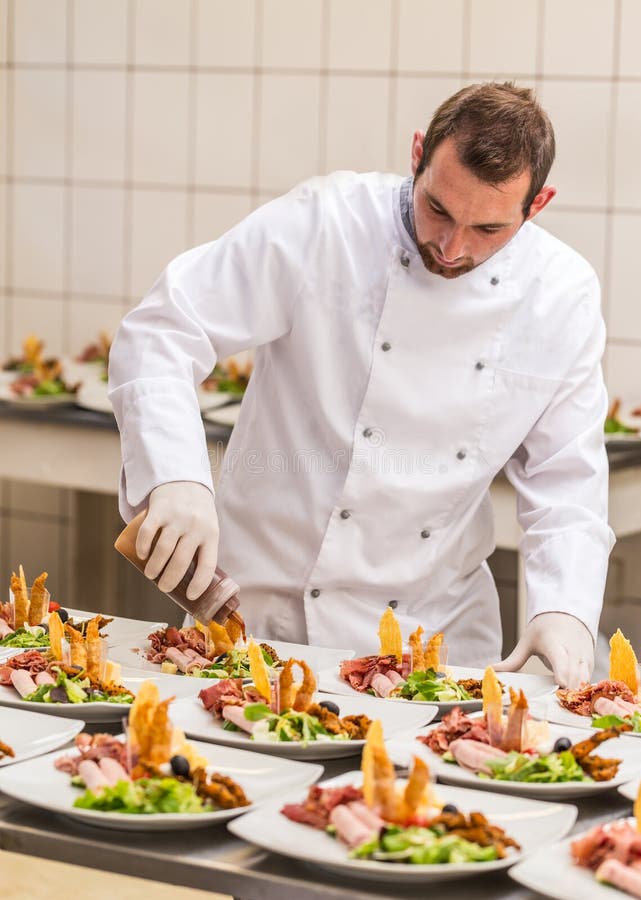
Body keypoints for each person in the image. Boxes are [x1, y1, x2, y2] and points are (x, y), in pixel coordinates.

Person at [108, 82, 614, 688]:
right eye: (440, 210)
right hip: (258, 620)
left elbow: (568, 482)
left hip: (432, 639)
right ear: (419, 153)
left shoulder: (562, 296)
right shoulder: (326, 223)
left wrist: (564, 611)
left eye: (488, 229)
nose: (452, 249)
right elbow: (163, 328)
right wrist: (177, 479)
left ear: (538, 204)